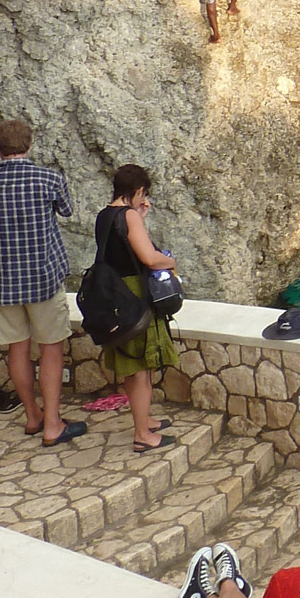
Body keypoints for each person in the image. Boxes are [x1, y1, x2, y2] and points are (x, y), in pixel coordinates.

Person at [0, 119, 82, 447]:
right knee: (51, 349)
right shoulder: (49, 178)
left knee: (18, 349)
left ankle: (32, 416)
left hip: (3, 282)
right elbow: (67, 210)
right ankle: (53, 423)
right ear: (30, 144)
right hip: (43, 277)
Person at [97, 164, 180, 453]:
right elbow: (149, 258)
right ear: (139, 191)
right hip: (134, 296)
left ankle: (145, 420)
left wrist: (139, 218)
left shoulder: (105, 215)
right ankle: (143, 434)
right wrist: (171, 262)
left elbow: (122, 249)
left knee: (131, 368)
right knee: (142, 369)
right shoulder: (128, 215)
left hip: (114, 296)